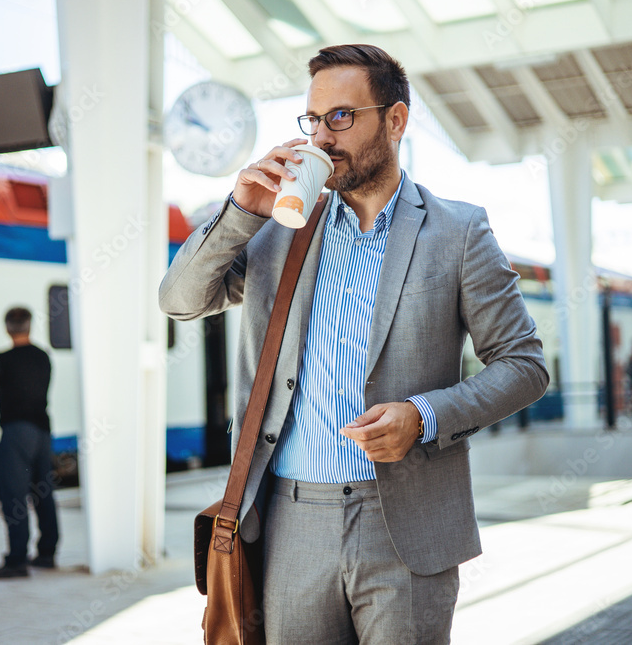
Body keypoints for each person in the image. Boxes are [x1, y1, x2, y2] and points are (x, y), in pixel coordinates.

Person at [159, 44, 548, 643]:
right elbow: (179, 299)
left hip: (407, 523)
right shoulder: (275, 231)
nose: (322, 135)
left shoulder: (458, 232)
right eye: (312, 120)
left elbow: (523, 366)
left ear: (394, 121)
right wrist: (241, 210)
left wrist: (424, 416)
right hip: (290, 521)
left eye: (341, 117)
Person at [0, 306, 59, 579]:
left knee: (14, 495)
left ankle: (16, 561)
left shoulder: (2, 358)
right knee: (43, 491)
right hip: (43, 431)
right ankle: (47, 554)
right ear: (30, 326)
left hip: (15, 432)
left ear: (7, 328)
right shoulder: (43, 356)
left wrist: (0, 386)